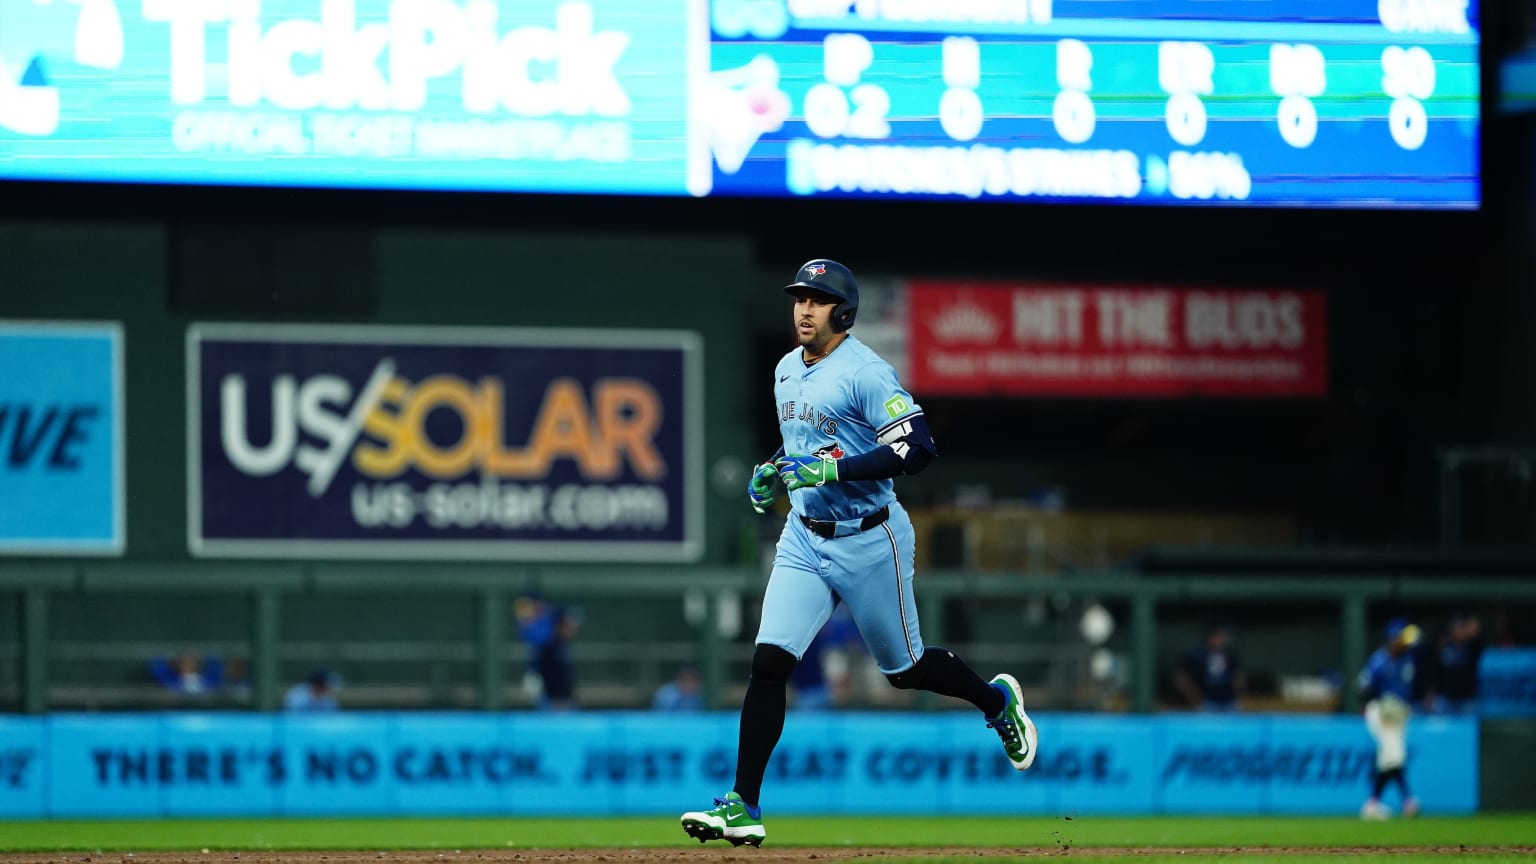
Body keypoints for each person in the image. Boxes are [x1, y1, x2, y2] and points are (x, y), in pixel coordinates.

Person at [680, 259, 1037, 848]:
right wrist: (772, 467)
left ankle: (996, 701)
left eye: (817, 300)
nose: (803, 308)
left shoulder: (867, 372)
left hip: (872, 537)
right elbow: (806, 439)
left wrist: (832, 467)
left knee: (906, 671)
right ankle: (743, 804)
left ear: (842, 313)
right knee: (770, 662)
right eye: (799, 297)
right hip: (804, 535)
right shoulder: (785, 370)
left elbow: (917, 448)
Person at [1357, 618, 1423, 820]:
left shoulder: (1408, 659)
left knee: (1388, 761)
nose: (1404, 641)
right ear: (1392, 638)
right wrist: (1381, 704)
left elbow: (1410, 689)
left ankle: (1372, 804)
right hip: (1381, 713)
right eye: (1401, 637)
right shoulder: (1379, 660)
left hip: (1400, 714)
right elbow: (1361, 688)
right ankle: (1408, 801)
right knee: (1395, 755)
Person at [1173, 623, 1245, 712]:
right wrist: (1193, 696)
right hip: (1207, 703)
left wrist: (1239, 698)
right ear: (1211, 637)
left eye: (1222, 637)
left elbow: (1238, 677)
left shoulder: (1229, 654)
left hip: (1229, 702)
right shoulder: (1197, 655)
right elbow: (1180, 677)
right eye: (1219, 637)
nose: (1221, 640)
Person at [1426, 612, 1484, 715]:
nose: (1458, 631)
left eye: (1461, 627)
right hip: (1446, 697)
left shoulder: (1472, 646)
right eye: (1455, 627)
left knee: (1467, 729)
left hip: (1466, 699)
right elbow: (1436, 672)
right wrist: (1432, 691)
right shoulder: (1444, 645)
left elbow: (1477, 636)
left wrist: (1469, 631)